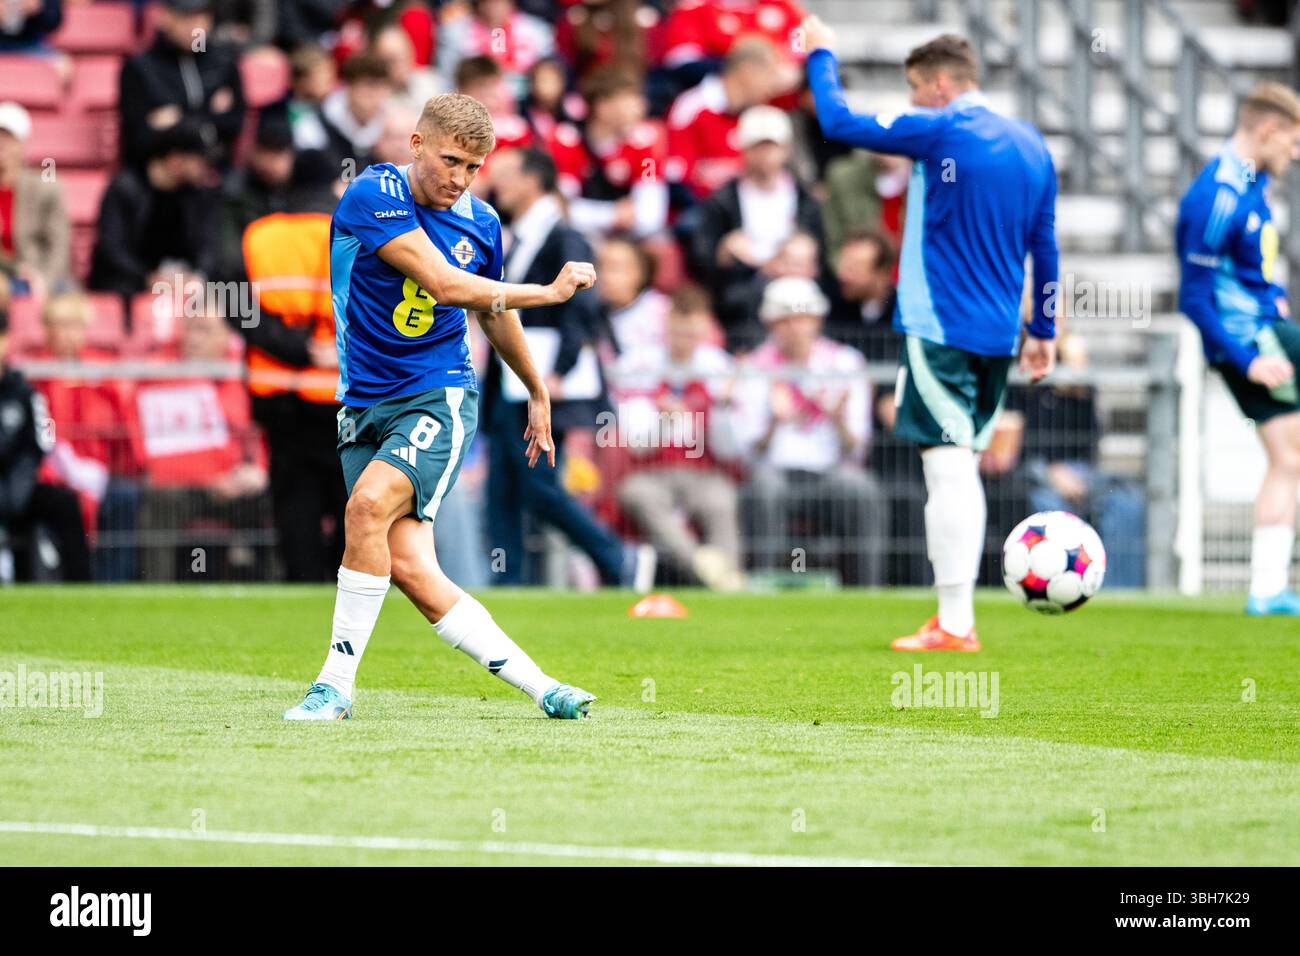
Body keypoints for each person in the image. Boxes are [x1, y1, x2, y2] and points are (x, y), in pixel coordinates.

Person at [283, 94, 602, 722]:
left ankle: (334, 687)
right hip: (362, 403)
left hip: (439, 395)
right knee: (410, 569)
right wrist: (551, 290)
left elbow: (489, 310)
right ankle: (547, 690)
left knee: (367, 504)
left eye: (474, 168)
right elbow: (446, 285)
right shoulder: (372, 194)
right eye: (451, 160)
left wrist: (536, 388)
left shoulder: (481, 223)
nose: (459, 179)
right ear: (417, 143)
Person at [804, 23, 1059, 649]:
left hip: (939, 327)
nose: (914, 102)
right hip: (998, 336)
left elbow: (837, 123)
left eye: (917, 91)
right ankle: (956, 619)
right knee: (959, 468)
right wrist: (1044, 329)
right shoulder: (1032, 146)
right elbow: (1045, 245)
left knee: (946, 474)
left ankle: (955, 623)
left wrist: (820, 52)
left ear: (941, 86)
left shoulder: (943, 128)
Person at [480, 147, 656, 590]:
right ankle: (508, 580)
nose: (496, 184)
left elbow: (582, 307)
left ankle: (617, 558)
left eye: (507, 175)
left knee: (538, 486)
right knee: (502, 485)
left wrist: (556, 372)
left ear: (533, 180)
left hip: (537, 383)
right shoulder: (527, 233)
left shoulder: (563, 236)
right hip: (510, 381)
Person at [1177, 82, 1300, 615]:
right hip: (1249, 345)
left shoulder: (1251, 183)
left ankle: (1269, 587)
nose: (1295, 154)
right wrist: (1248, 359)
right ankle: (1267, 588)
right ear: (1269, 130)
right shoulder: (1217, 195)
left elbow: (1249, 269)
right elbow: (1194, 296)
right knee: (1290, 458)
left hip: (1266, 329)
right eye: (1293, 142)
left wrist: (1276, 298)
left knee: (1291, 460)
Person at [735, 275, 883, 585]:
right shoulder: (754, 368)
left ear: (817, 321)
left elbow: (856, 448)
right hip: (776, 474)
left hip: (830, 474)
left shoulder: (845, 363)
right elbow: (748, 451)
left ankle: (866, 591)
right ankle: (763, 586)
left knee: (861, 490)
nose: (795, 328)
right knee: (762, 490)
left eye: (803, 319)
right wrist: (773, 423)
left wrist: (839, 419)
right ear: (771, 324)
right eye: (785, 320)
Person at [614, 285, 744, 589]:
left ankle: (729, 582)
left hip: (702, 472)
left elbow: (727, 451)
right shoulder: (639, 365)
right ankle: (705, 568)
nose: (684, 343)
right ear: (666, 328)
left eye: (692, 335)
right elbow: (637, 445)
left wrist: (723, 409)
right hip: (653, 472)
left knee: (721, 501)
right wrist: (662, 421)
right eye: (677, 333)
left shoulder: (718, 367)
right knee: (637, 494)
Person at [683, 105, 823, 335]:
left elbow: (820, 253)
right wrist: (722, 253)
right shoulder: (721, 200)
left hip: (796, 285)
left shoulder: (806, 199)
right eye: (758, 147)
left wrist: (797, 259)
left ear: (786, 150)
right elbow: (701, 257)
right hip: (743, 290)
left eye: (771, 147)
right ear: (744, 150)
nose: (765, 155)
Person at [89, 120, 219, 299]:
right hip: (128, 287)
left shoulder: (199, 194)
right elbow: (111, 249)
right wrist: (147, 278)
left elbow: (208, 246)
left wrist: (197, 275)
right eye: (200, 161)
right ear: (175, 159)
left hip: (182, 286)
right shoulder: (125, 188)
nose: (206, 169)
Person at [118, 0, 246, 171]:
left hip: (214, 171)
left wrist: (175, 123)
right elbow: (138, 138)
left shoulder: (223, 62)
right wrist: (209, 116)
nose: (197, 27)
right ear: (165, 17)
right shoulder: (140, 68)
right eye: (188, 17)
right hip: (159, 175)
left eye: (203, 17)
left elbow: (234, 123)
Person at [0, 101, 71, 297]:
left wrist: (43, 281)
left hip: (32, 274)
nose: (2, 144)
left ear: (22, 145)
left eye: (8, 138)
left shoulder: (46, 188)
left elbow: (58, 247)